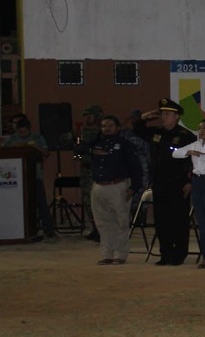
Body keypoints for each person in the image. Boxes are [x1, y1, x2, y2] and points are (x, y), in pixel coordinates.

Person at [135, 98, 196, 266]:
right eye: (162, 113)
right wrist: (145, 117)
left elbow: (192, 161)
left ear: (177, 117)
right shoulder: (157, 133)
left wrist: (189, 181)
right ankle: (166, 253)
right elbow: (137, 129)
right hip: (159, 183)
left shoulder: (185, 136)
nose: (164, 117)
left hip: (178, 183)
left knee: (179, 220)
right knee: (162, 220)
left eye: (168, 114)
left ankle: (179, 254)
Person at [76, 115, 143, 265]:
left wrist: (134, 187)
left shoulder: (125, 144)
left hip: (117, 186)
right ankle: (107, 254)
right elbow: (78, 149)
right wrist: (93, 148)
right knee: (103, 223)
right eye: (104, 126)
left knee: (121, 222)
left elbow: (136, 168)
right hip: (98, 186)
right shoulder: (96, 143)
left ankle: (120, 255)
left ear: (117, 128)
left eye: (110, 126)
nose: (106, 129)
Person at [172, 119, 205, 268]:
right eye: (199, 128)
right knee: (201, 223)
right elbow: (175, 153)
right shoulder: (195, 144)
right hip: (197, 183)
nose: (201, 131)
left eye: (204, 128)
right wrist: (189, 152)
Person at [2, 116, 56, 239]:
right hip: (16, 179)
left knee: (41, 202)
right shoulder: (12, 139)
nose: (21, 134)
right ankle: (19, 228)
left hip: (34, 176)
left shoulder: (37, 138)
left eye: (24, 132)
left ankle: (48, 229)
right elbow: (4, 152)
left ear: (29, 129)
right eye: (19, 132)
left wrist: (32, 147)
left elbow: (46, 153)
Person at [77, 105, 103, 241]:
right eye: (86, 115)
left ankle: (102, 229)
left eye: (90, 115)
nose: (87, 118)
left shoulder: (102, 132)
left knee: (100, 202)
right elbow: (77, 148)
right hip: (86, 170)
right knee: (88, 201)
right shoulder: (81, 132)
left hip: (98, 170)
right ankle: (94, 228)